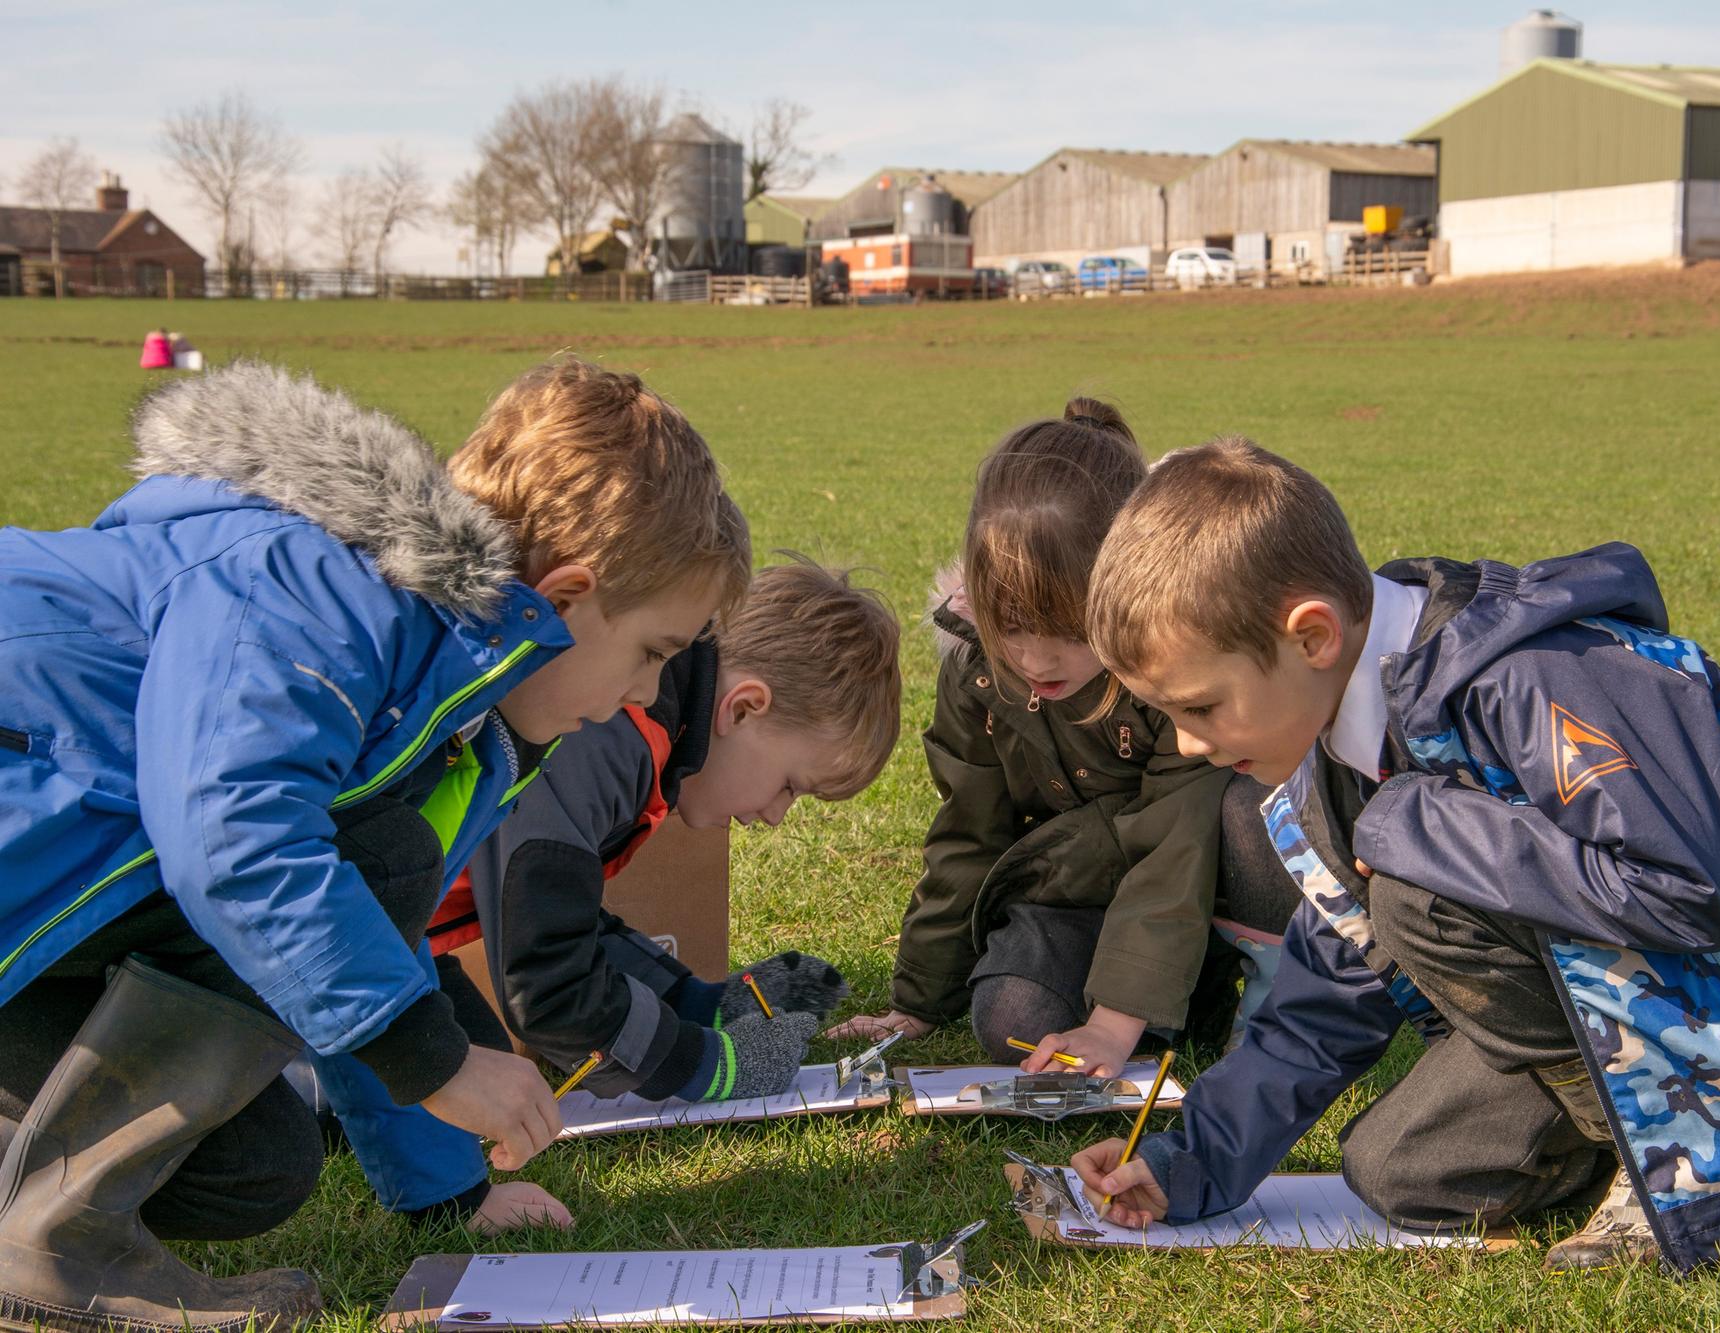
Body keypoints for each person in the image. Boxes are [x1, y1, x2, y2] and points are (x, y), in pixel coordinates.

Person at [0, 357, 749, 1330]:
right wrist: (436, 1061)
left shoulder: (462, 716)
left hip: (45, 916)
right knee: (369, 854)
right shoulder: (315, 581)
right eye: (652, 651)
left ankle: (49, 1222)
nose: (650, 695)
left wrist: (448, 1191)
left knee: (250, 1167)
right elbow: (239, 837)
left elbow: (360, 929)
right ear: (565, 595)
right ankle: (46, 1246)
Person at [1072, 436, 1720, 1272]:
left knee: (1412, 886)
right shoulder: (1335, 745)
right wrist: (1192, 1162)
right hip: (1638, 1021)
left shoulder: (1534, 677)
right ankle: (1629, 1146)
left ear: (1312, 637)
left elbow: (1690, 887)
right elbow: (1333, 980)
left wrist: (1421, 825)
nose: (1187, 746)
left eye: (1201, 706)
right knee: (1397, 1169)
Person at [331, 558, 902, 1217]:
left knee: (456, 1046)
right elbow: (549, 986)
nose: (774, 815)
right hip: (328, 931)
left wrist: (698, 1003)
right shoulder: (609, 727)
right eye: (791, 786)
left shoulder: (652, 727)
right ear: (744, 707)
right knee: (441, 1061)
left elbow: (563, 919)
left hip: (380, 923)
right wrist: (708, 1067)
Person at [829, 401, 1295, 1074]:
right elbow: (968, 834)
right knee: (1013, 1020)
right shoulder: (976, 670)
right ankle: (1161, 1008)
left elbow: (1175, 848)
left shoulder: (1170, 668)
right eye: (1012, 621)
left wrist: (1110, 1024)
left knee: (1249, 810)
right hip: (1074, 899)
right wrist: (917, 1000)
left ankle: (1218, 997)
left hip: (1197, 889)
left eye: (1071, 629)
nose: (1037, 659)